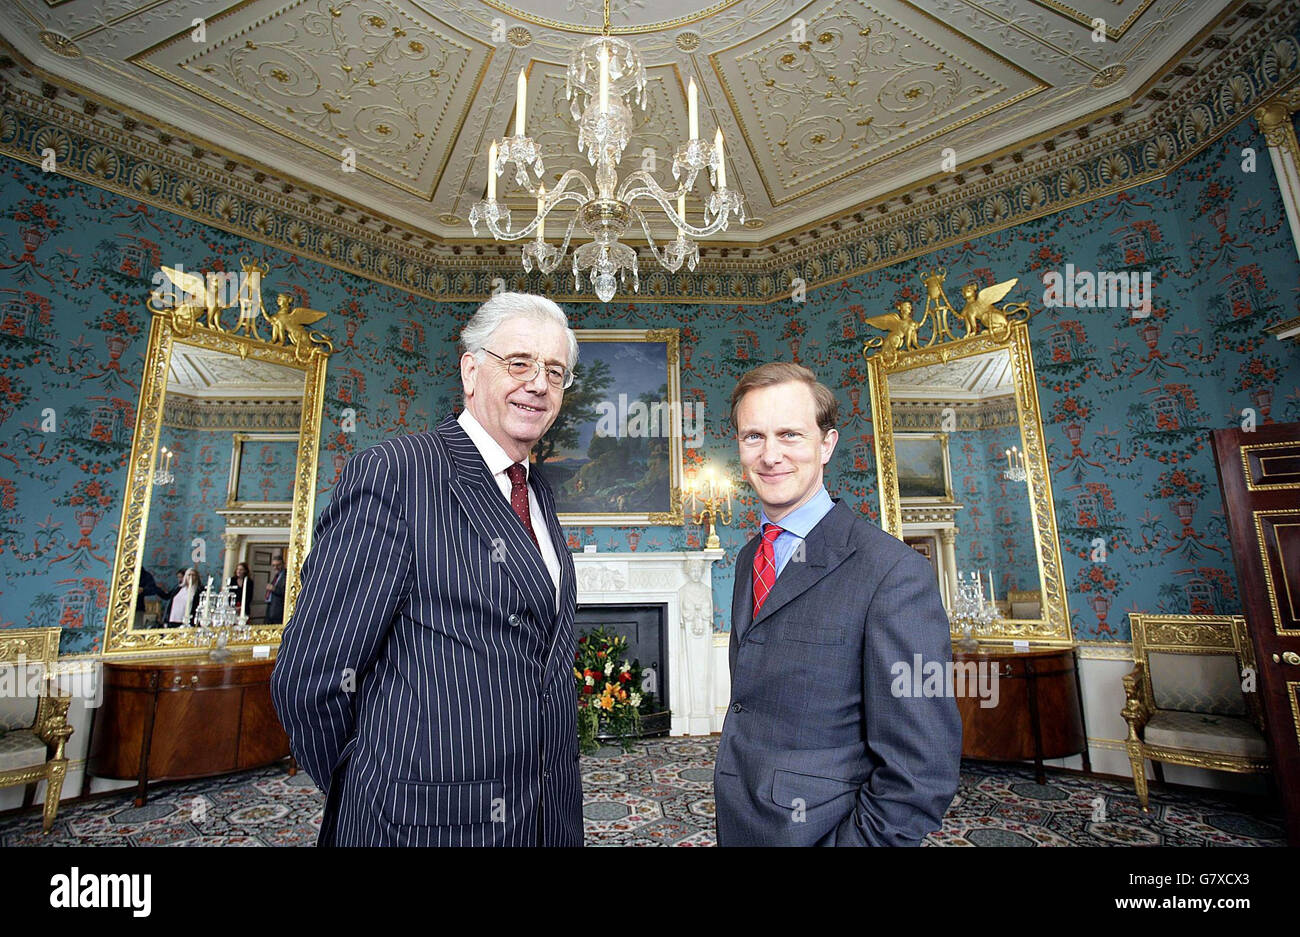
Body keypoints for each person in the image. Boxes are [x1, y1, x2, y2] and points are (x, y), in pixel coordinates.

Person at [272, 292, 583, 847]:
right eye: (519, 363)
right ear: (470, 370)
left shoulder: (535, 490)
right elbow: (311, 676)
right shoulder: (398, 473)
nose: (538, 383)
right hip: (423, 823)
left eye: (555, 371)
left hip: (543, 814)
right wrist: (368, 792)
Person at [714, 362, 962, 846]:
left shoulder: (893, 573)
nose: (770, 456)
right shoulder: (750, 557)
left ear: (826, 444)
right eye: (753, 437)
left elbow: (921, 769)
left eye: (790, 434)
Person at [264, 554, 286, 624]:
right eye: (273, 565)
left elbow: (288, 593)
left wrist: (274, 589)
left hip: (279, 611)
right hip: (270, 608)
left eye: (278, 565)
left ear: (283, 564)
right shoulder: (277, 575)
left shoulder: (286, 575)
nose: (275, 567)